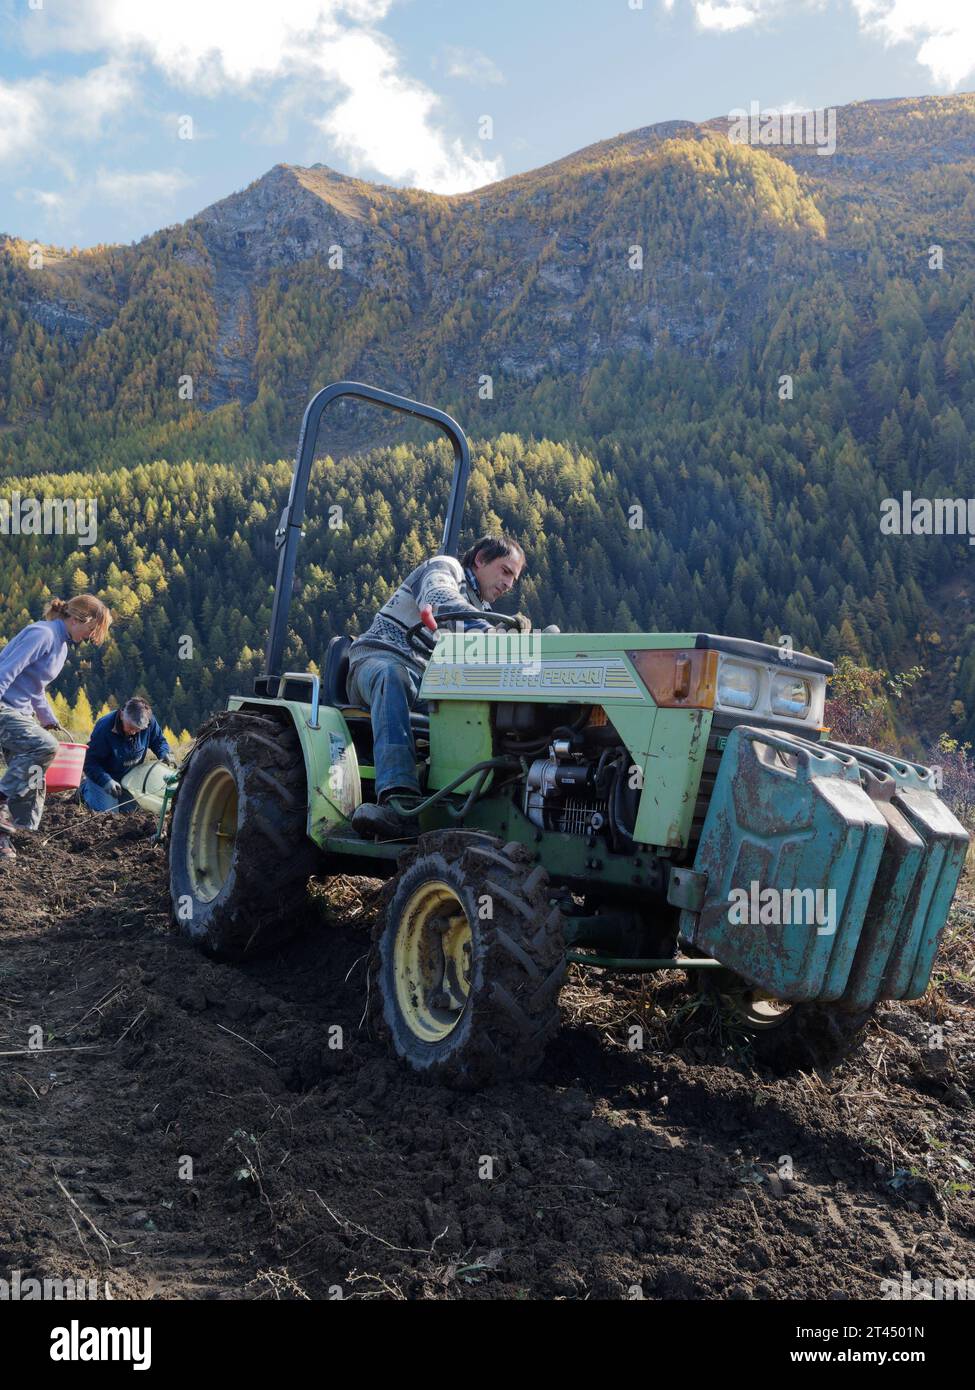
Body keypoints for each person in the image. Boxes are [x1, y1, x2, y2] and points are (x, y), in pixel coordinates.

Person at [348, 534, 528, 840]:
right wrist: (492, 634)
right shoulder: (444, 569)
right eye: (505, 571)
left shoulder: (478, 605)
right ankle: (398, 802)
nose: (509, 584)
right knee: (394, 677)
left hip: (426, 682)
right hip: (376, 660)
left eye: (515, 578)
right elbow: (441, 602)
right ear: (481, 559)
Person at [0, 594, 113, 864]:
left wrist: (47, 718)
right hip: (4, 708)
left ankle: (19, 842)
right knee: (45, 746)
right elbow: (4, 672)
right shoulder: (41, 634)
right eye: (91, 629)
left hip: (21, 713)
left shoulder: (61, 645)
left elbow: (35, 687)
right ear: (75, 619)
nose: (90, 637)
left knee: (35, 781)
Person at [80, 697, 175, 814]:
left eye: (138, 729)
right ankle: (84, 790)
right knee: (110, 813)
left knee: (134, 811)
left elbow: (159, 741)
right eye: (130, 727)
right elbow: (90, 761)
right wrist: (105, 780)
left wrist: (164, 752)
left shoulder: (149, 721)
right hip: (104, 776)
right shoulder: (104, 728)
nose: (133, 732)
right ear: (121, 715)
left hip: (129, 778)